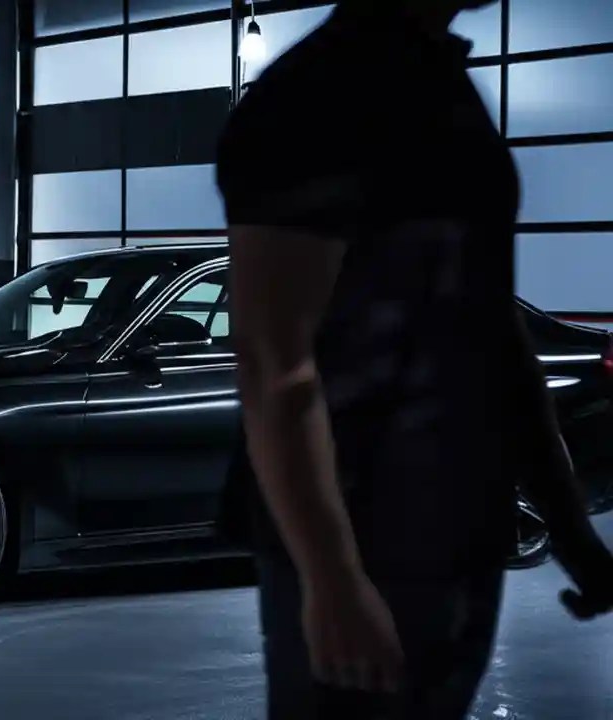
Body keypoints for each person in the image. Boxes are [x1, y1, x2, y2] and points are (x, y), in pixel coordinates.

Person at [214, 0, 613, 717]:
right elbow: (276, 366)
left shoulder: (443, 88)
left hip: (458, 529)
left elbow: (490, 328)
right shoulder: (310, 97)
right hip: (366, 539)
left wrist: (570, 527)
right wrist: (331, 581)